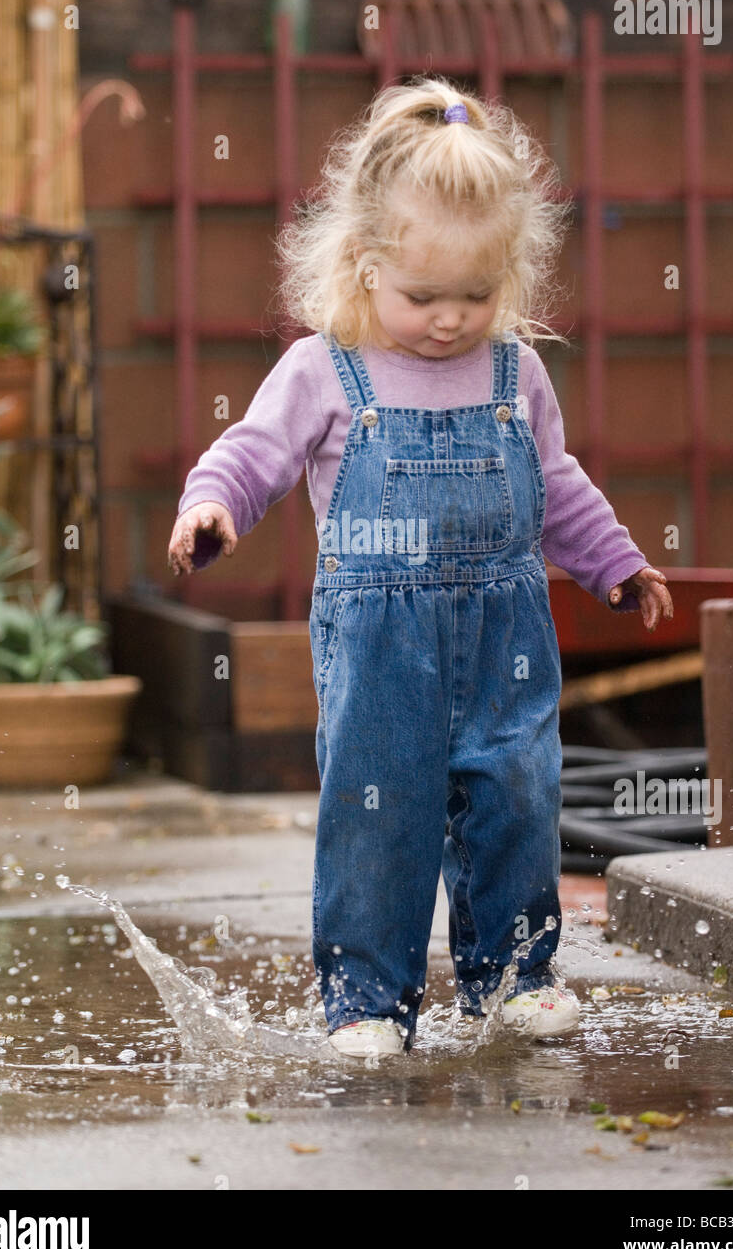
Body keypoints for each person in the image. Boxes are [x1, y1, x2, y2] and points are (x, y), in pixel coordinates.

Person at [167, 78, 674, 1060]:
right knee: (379, 814)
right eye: (423, 295)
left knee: (515, 804)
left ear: (511, 277)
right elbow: (252, 451)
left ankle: (515, 978)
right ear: (362, 267)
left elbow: (556, 484)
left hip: (505, 636)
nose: (450, 320)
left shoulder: (513, 371)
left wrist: (615, 561)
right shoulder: (326, 366)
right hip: (381, 647)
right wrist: (213, 504)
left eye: (477, 295)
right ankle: (368, 998)